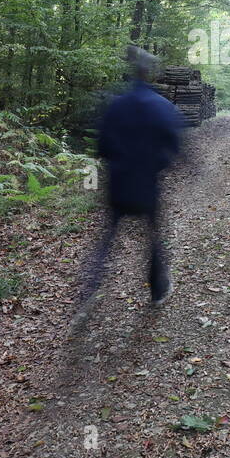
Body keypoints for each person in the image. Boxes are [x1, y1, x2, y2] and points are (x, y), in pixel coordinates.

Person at [72, 46, 183, 329]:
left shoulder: (116, 105)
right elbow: (175, 148)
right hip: (147, 187)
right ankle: (158, 291)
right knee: (153, 238)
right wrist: (155, 164)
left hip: (118, 185)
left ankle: (87, 292)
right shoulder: (162, 106)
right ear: (150, 73)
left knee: (106, 240)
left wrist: (119, 161)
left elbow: (101, 147)